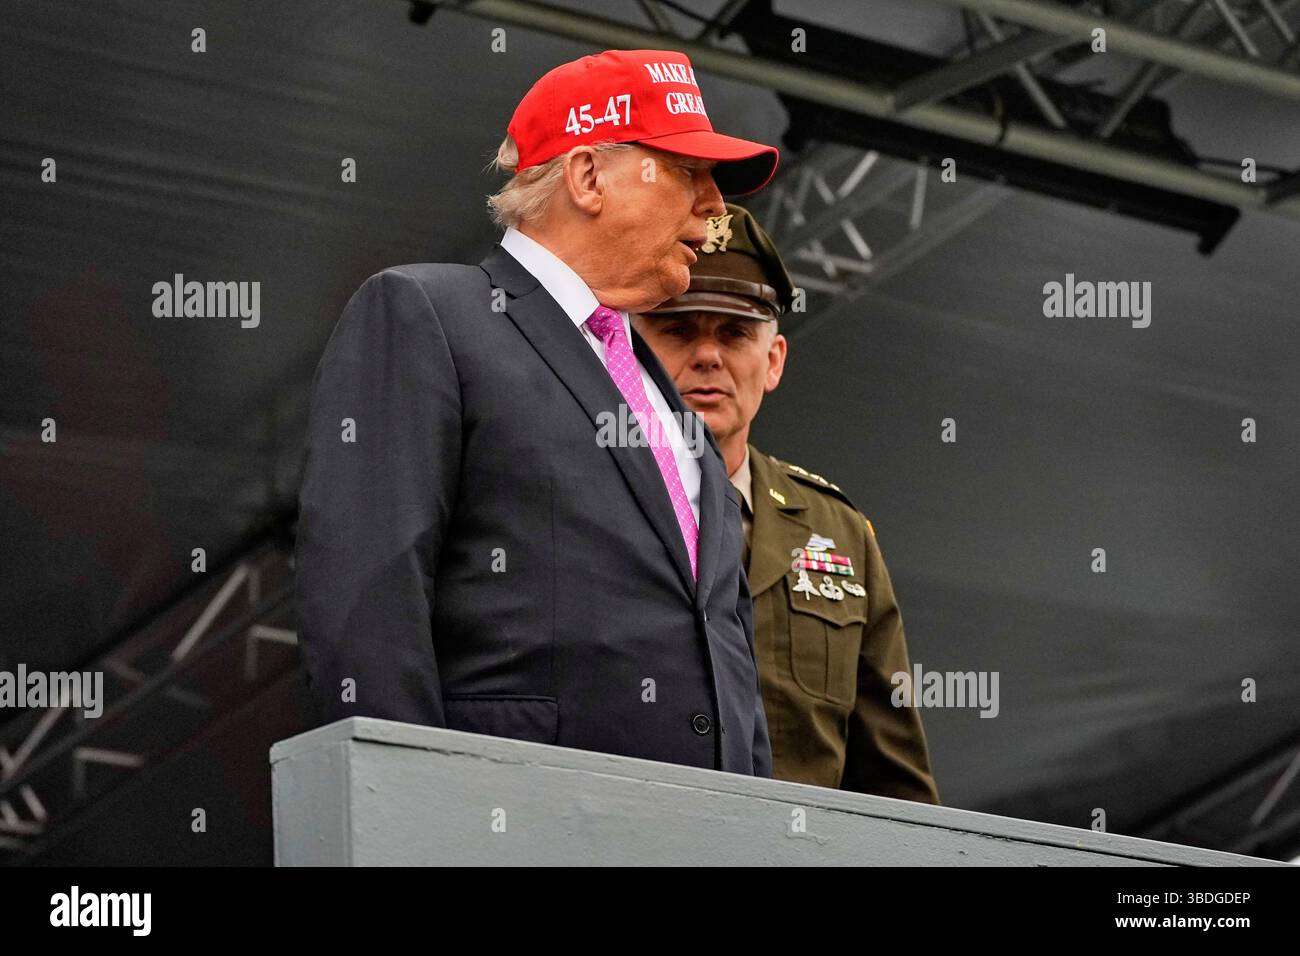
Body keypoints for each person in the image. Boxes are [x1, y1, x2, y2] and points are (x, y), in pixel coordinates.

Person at [295, 50, 781, 775]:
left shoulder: (656, 388)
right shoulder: (430, 314)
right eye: (688, 172)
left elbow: (722, 641)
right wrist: (407, 809)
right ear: (588, 176)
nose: (715, 206)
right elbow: (367, 598)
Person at [633, 203, 940, 801]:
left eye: (735, 333)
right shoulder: (583, 498)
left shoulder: (839, 531)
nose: (707, 355)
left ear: (772, 362)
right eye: (677, 329)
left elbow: (894, 781)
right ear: (628, 350)